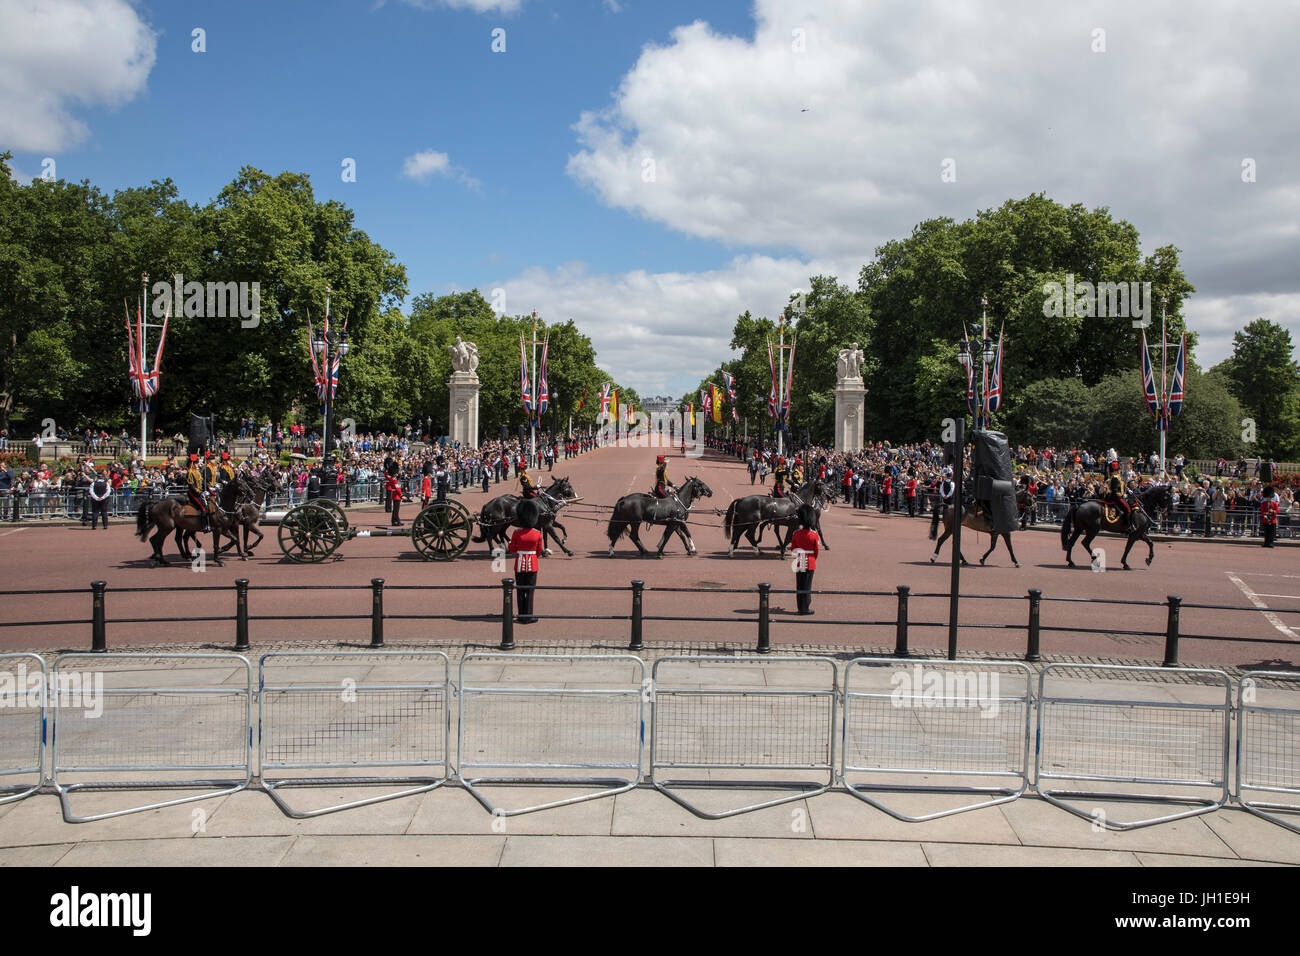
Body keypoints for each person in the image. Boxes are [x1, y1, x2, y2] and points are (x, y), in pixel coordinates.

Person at [508, 498, 544, 624]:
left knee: (519, 590)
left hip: (519, 564)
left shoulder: (517, 533)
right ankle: (528, 615)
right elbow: (539, 551)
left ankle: (520, 615)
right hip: (532, 564)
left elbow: (512, 549)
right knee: (530, 590)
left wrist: (509, 545)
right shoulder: (537, 533)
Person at [790, 504, 821, 616]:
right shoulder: (814, 535)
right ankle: (805, 608)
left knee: (800, 584)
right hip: (810, 560)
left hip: (800, 559)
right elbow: (816, 551)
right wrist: (812, 559)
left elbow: (793, 549)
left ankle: (800, 607)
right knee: (807, 585)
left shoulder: (796, 534)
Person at [1103, 459, 1130, 529]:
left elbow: (1121, 487)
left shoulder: (1118, 477)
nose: (1120, 471)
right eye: (1119, 469)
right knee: (1128, 509)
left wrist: (1127, 490)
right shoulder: (1115, 478)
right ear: (1117, 470)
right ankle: (1128, 525)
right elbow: (1114, 490)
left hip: (1118, 496)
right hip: (1115, 497)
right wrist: (1121, 495)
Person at [186, 453, 209, 532]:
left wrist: (206, 489)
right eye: (196, 463)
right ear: (192, 463)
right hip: (194, 493)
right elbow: (191, 485)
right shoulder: (190, 472)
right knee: (203, 507)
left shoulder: (197, 471)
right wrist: (199, 492)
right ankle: (203, 525)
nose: (198, 464)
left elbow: (201, 482)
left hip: (200, 492)